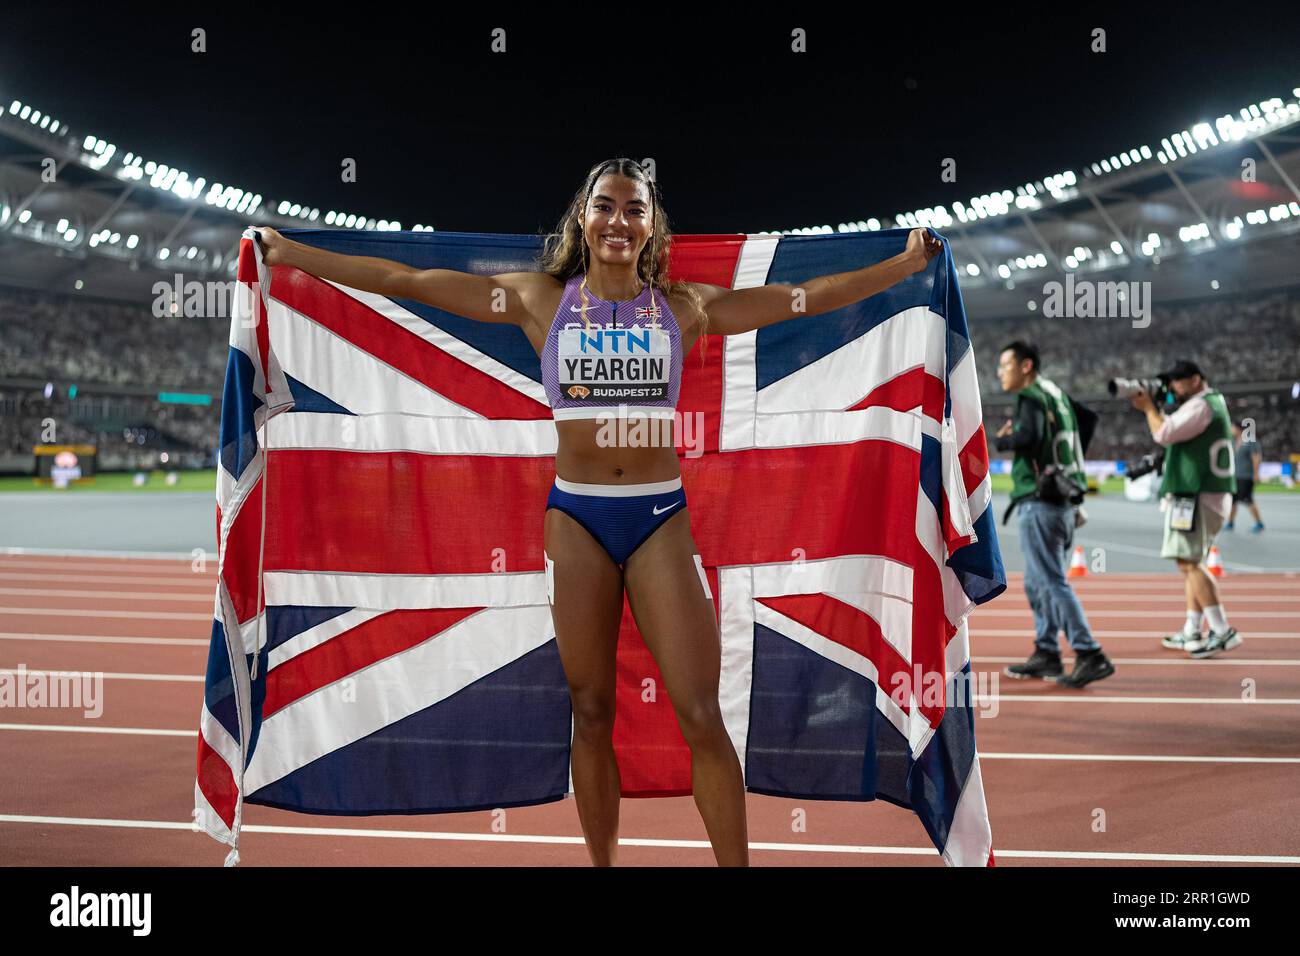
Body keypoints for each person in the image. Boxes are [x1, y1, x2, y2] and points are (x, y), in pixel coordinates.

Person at [253, 158, 942, 867]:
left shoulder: (685, 309)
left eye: (634, 209)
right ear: (582, 218)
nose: (619, 220)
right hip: (577, 519)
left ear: (651, 225)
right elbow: (405, 283)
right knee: (591, 710)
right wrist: (292, 254)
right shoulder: (537, 301)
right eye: (605, 206)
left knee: (702, 716)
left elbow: (803, 297)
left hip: (659, 524)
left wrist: (904, 264)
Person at [994, 342, 1114, 688]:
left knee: (1050, 581)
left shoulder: (1031, 396)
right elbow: (1088, 419)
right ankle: (1046, 651)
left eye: (1006, 365)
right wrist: (1066, 465)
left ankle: (1090, 653)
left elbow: (1028, 437)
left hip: (1041, 498)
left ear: (1026, 366)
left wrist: (1005, 441)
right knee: (1037, 581)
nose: (1001, 372)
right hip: (1062, 497)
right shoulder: (1055, 393)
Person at [1129, 360, 1242, 658]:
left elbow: (1164, 433)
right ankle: (1193, 628)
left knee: (1189, 563)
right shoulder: (1209, 402)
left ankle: (1222, 631)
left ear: (1195, 379)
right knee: (1192, 562)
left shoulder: (1202, 405)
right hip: (1204, 497)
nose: (1174, 387)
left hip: (1198, 497)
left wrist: (1149, 409)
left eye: (1179, 381)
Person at [1226, 422, 1265, 532]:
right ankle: (1230, 522)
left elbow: (1256, 458)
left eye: (1232, 428)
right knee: (1233, 500)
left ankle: (1259, 523)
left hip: (1246, 476)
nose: (1231, 430)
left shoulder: (1250, 441)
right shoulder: (1233, 442)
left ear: (1239, 429)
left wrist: (1256, 474)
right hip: (1235, 476)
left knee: (1247, 499)